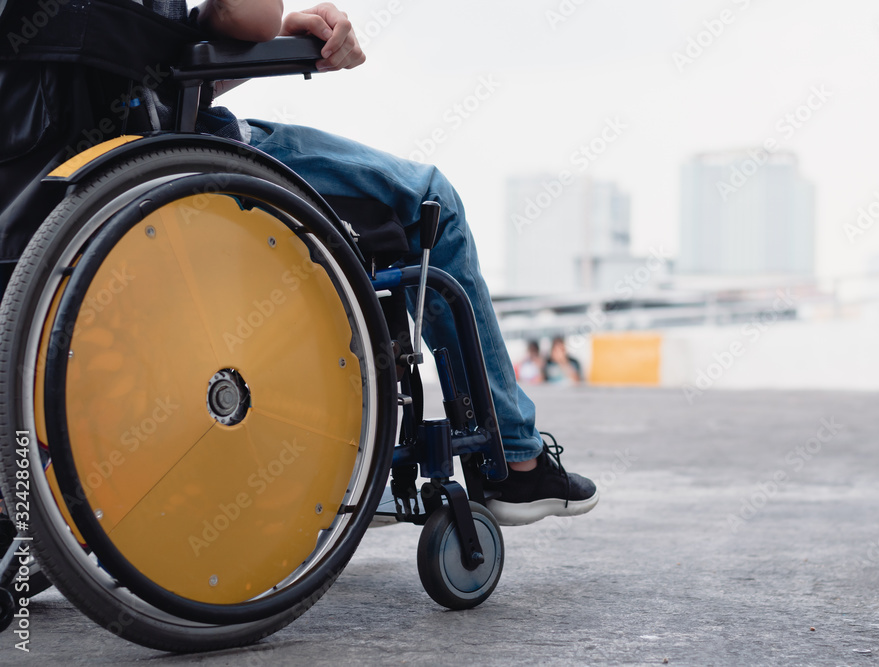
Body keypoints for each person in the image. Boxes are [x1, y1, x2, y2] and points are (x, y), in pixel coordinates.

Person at [153, 1, 599, 525]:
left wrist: (252, 43)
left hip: (70, 178)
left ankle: (341, 458)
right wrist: (265, 30)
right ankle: (513, 459)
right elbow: (245, 14)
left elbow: (131, 87)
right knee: (429, 200)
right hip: (190, 156)